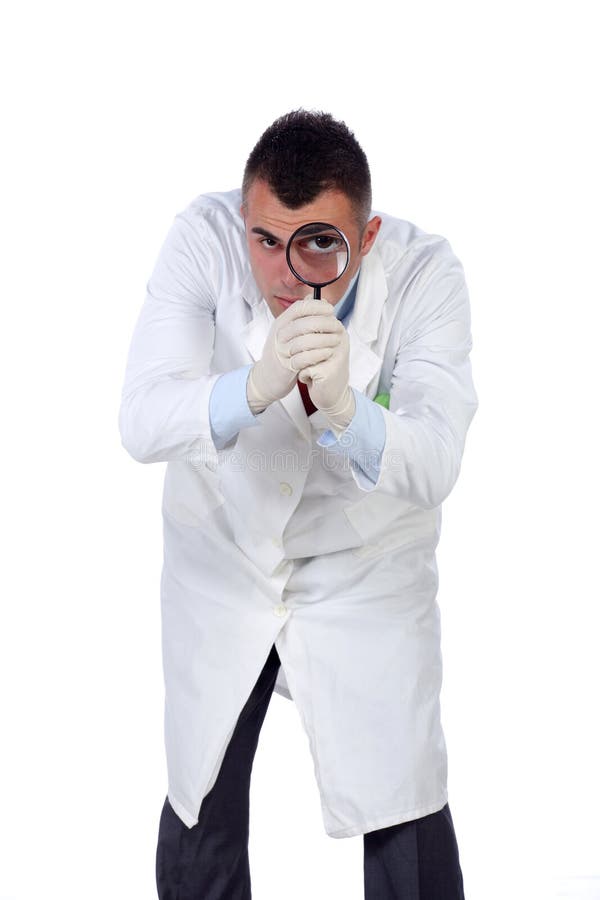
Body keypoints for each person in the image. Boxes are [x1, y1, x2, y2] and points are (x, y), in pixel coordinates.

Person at [118, 109, 478, 899]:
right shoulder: (202, 238)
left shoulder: (425, 275)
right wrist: (247, 391)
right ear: (241, 218)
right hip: (225, 559)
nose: (285, 272)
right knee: (200, 800)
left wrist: (350, 411)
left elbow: (437, 460)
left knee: (403, 798)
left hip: (366, 571)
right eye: (265, 240)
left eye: (319, 241)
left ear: (369, 234)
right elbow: (141, 422)